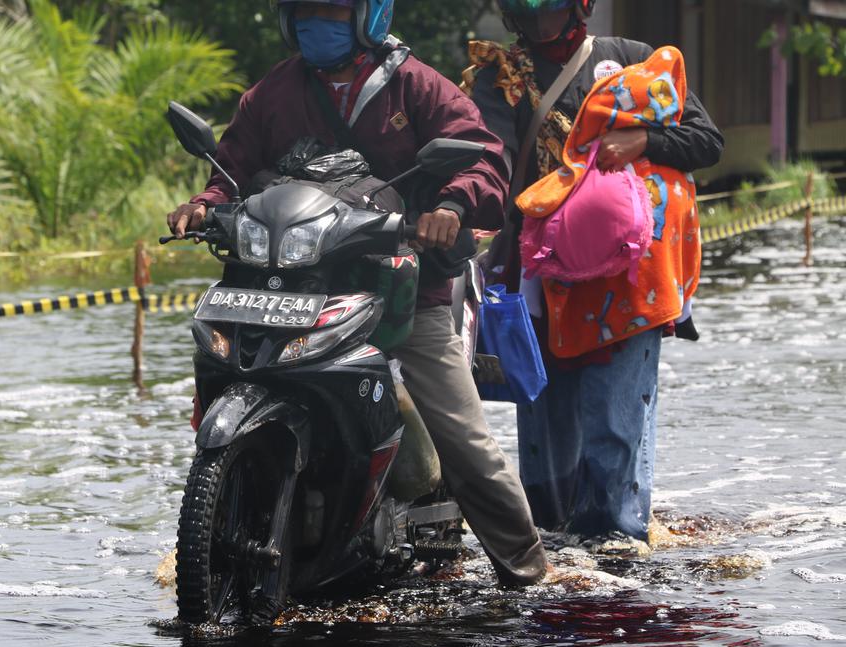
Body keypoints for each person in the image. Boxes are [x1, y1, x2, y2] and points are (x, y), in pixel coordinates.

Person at [167, 0, 549, 586]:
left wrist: (450, 206)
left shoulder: (417, 86)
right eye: (307, 11)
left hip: (402, 289)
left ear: (369, 17)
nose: (318, 23)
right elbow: (231, 171)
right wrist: (204, 207)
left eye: (333, 11)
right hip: (292, 290)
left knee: (466, 442)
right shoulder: (273, 91)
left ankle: (529, 571)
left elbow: (483, 158)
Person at [463, 0, 723, 546]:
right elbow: (488, 163)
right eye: (525, 8)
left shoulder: (631, 61)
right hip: (539, 281)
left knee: (614, 423)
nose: (539, 18)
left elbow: (705, 141)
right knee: (545, 439)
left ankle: (618, 554)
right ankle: (557, 557)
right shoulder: (497, 78)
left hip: (629, 283)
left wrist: (644, 140)